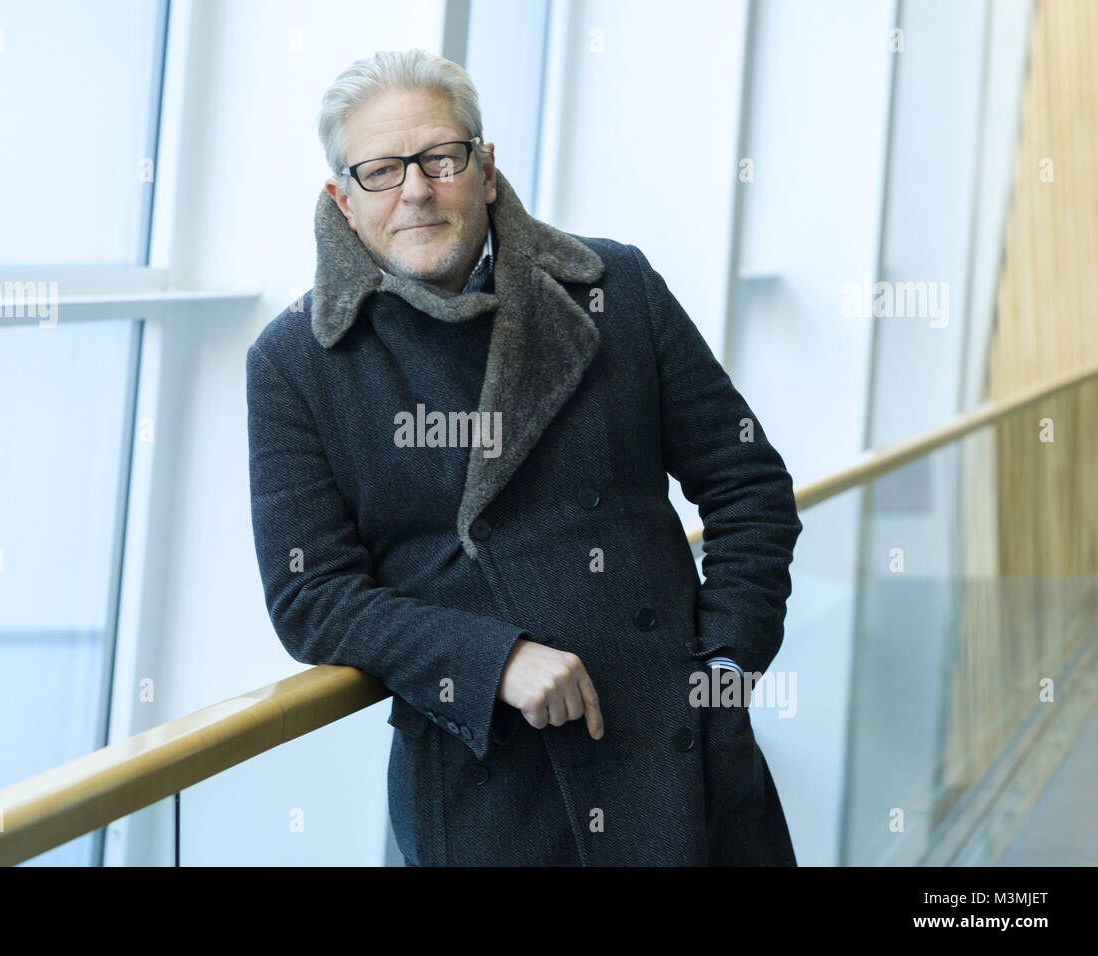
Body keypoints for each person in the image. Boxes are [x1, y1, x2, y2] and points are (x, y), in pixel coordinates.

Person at [246, 48, 802, 866]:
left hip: (683, 754)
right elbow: (310, 594)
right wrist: (489, 660)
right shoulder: (297, 360)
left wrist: (724, 664)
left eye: (441, 157)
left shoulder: (617, 287)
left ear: (487, 168)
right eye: (381, 171)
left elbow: (748, 483)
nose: (416, 190)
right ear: (343, 199)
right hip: (490, 785)